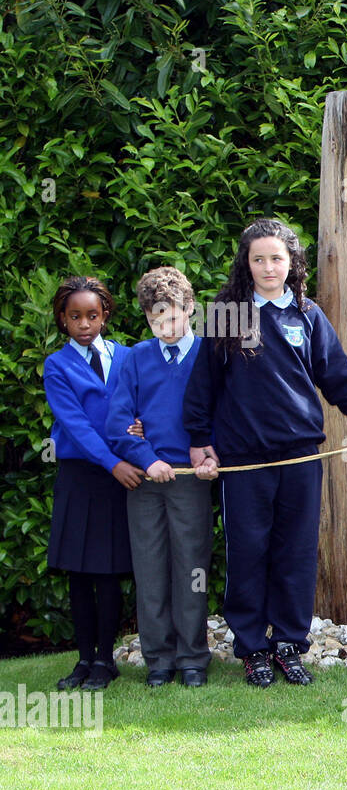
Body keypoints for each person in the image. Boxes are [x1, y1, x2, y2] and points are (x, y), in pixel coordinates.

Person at [183, 219, 347, 686]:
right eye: (258, 259)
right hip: (243, 461)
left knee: (296, 552)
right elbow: (201, 387)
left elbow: (337, 379)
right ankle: (251, 648)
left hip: (301, 458)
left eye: (277, 258)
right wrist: (201, 444)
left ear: (293, 263)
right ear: (246, 264)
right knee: (247, 552)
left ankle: (288, 644)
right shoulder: (226, 315)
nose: (268, 267)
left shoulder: (308, 314)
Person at [107, 267, 216, 688]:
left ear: (189, 309)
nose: (164, 328)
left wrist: (214, 457)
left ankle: (192, 657)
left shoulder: (208, 355)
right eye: (155, 321)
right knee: (150, 568)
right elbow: (117, 423)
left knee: (192, 568)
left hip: (191, 479)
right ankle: (158, 660)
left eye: (171, 319)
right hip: (147, 482)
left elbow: (223, 413)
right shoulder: (135, 359)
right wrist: (145, 458)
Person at [44, 276, 140, 692]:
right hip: (83, 476)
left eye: (92, 315)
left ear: (105, 316)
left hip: (119, 476)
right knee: (78, 573)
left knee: (107, 570)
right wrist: (113, 462)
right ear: (63, 321)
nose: (85, 324)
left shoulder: (127, 357)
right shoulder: (57, 366)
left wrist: (142, 426)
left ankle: (106, 660)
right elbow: (77, 426)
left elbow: (143, 404)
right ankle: (83, 659)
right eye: (75, 316)